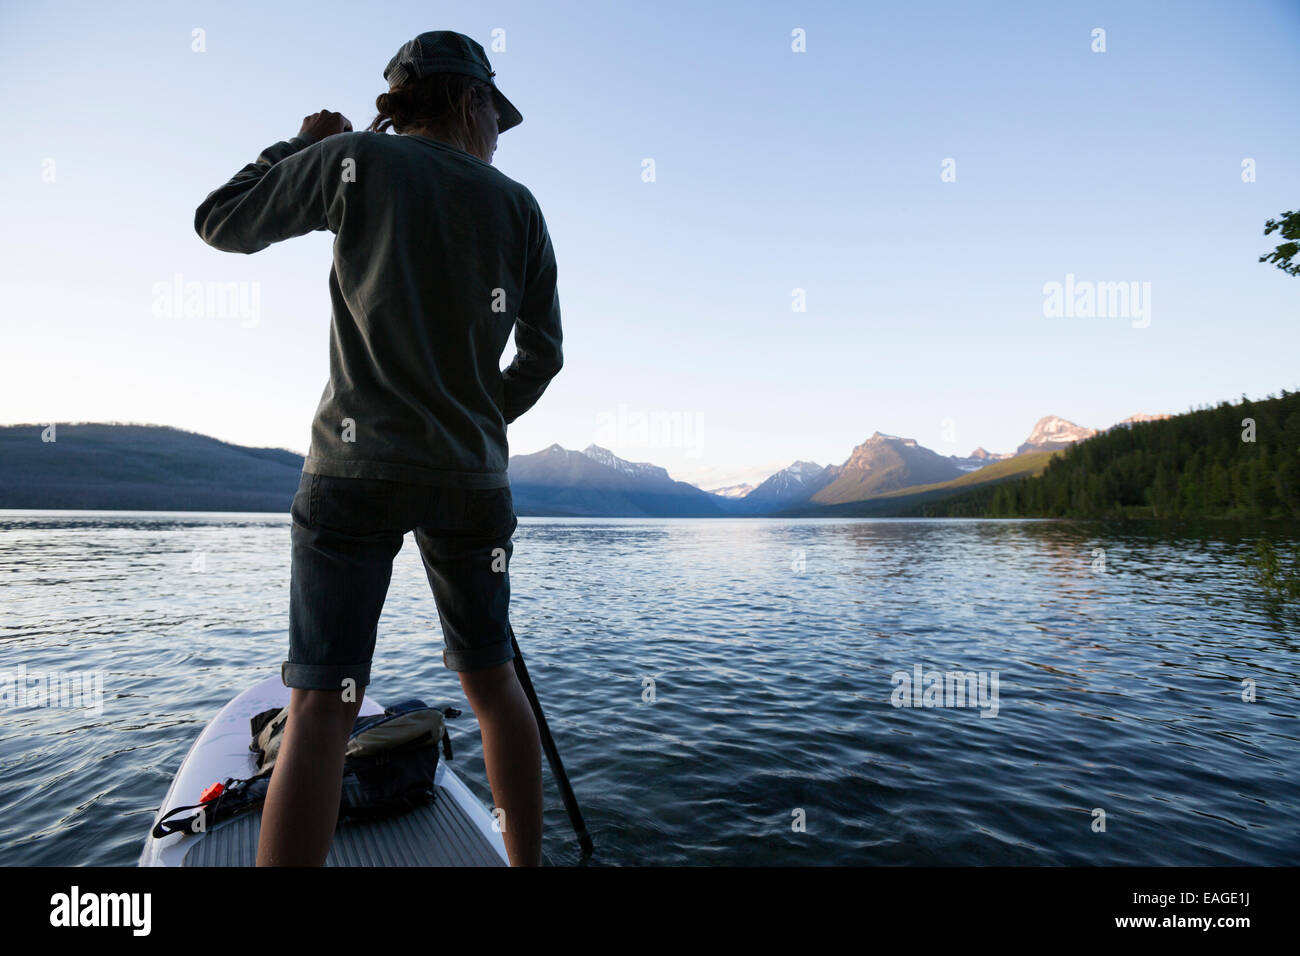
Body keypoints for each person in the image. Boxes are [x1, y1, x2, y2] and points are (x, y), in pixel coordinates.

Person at [193, 31, 563, 866]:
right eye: (494, 115)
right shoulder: (519, 206)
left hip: (351, 473)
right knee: (494, 684)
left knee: (323, 706)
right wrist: (477, 419)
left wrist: (303, 146)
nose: (497, 134)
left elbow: (220, 223)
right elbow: (544, 353)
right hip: (473, 483)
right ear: (471, 103)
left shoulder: (355, 161)